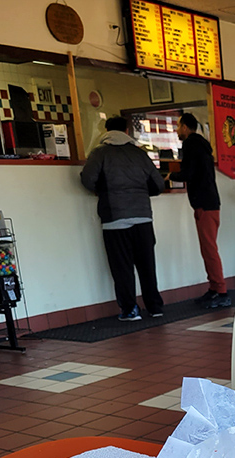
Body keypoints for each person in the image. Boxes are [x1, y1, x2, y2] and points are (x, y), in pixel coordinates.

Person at [80, 115, 165, 322]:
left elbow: (87, 180)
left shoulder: (100, 153)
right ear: (127, 131)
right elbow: (158, 184)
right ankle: (155, 307)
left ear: (106, 131)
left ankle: (130, 310)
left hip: (114, 219)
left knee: (122, 268)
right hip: (143, 218)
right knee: (147, 266)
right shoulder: (139, 154)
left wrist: (103, 189)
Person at [175, 112, 230, 309]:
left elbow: (189, 172)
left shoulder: (191, 145)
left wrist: (171, 175)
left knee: (209, 249)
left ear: (185, 127)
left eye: (178, 126)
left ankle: (221, 290)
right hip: (210, 203)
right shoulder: (203, 146)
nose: (176, 130)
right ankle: (215, 288)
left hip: (204, 204)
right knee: (208, 249)